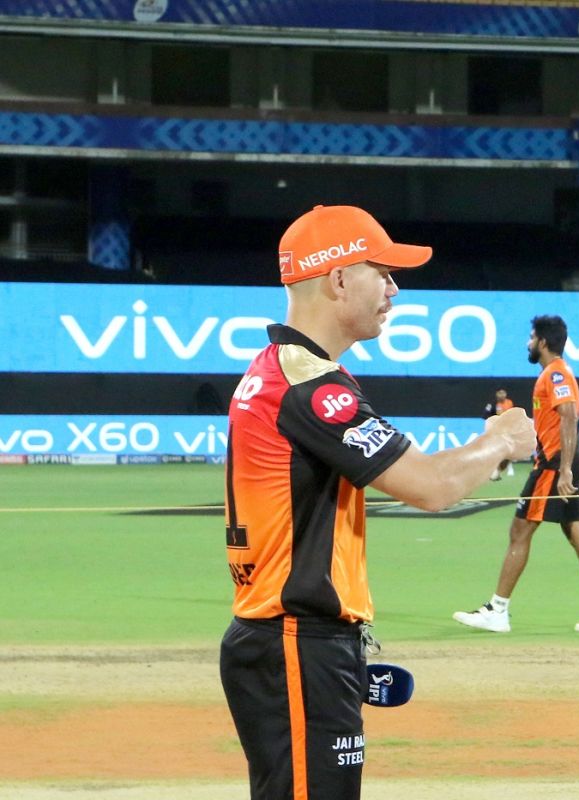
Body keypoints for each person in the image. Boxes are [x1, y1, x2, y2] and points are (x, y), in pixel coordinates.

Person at [221, 204, 535, 800]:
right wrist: (501, 440)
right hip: (296, 640)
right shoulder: (310, 388)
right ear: (338, 278)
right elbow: (431, 487)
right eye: (382, 272)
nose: (395, 289)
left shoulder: (281, 372)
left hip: (291, 641)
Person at [453, 314, 579, 633]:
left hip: (555, 464)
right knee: (576, 532)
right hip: (560, 460)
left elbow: (568, 416)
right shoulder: (555, 373)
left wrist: (563, 470)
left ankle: (498, 610)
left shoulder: (556, 374)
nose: (528, 342)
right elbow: (555, 422)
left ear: (543, 342)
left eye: (532, 337)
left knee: (520, 531)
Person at [483, 388, 516, 480]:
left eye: (503, 393)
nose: (502, 395)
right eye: (500, 393)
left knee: (509, 450)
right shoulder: (492, 404)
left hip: (507, 430)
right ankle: (493, 471)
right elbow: (485, 415)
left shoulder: (509, 403)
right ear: (496, 394)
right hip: (495, 432)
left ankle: (509, 468)